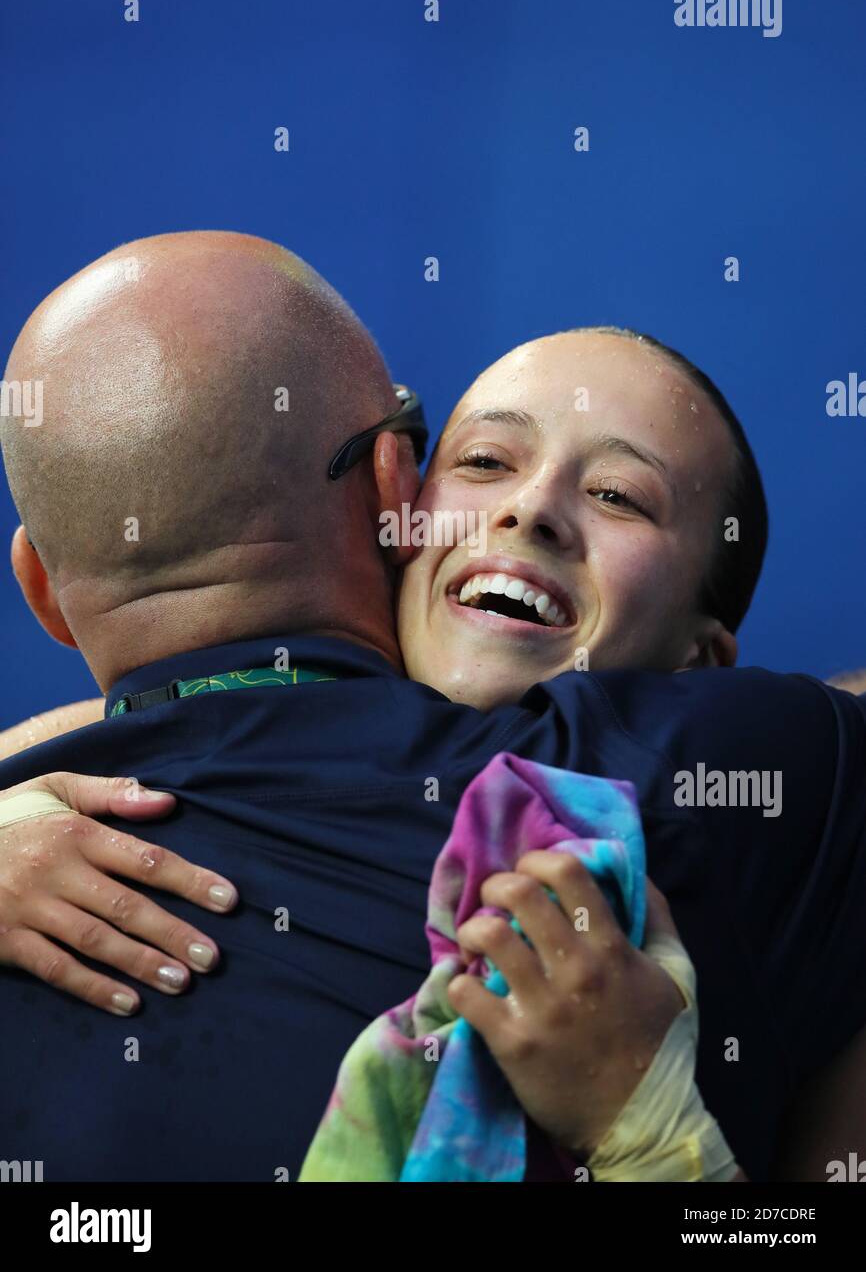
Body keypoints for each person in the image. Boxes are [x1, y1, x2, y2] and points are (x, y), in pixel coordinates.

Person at [0, 233, 863, 1181]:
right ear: (395, 492)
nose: (530, 509)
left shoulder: (751, 789)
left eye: (619, 494)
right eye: (487, 460)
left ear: (41, 590)